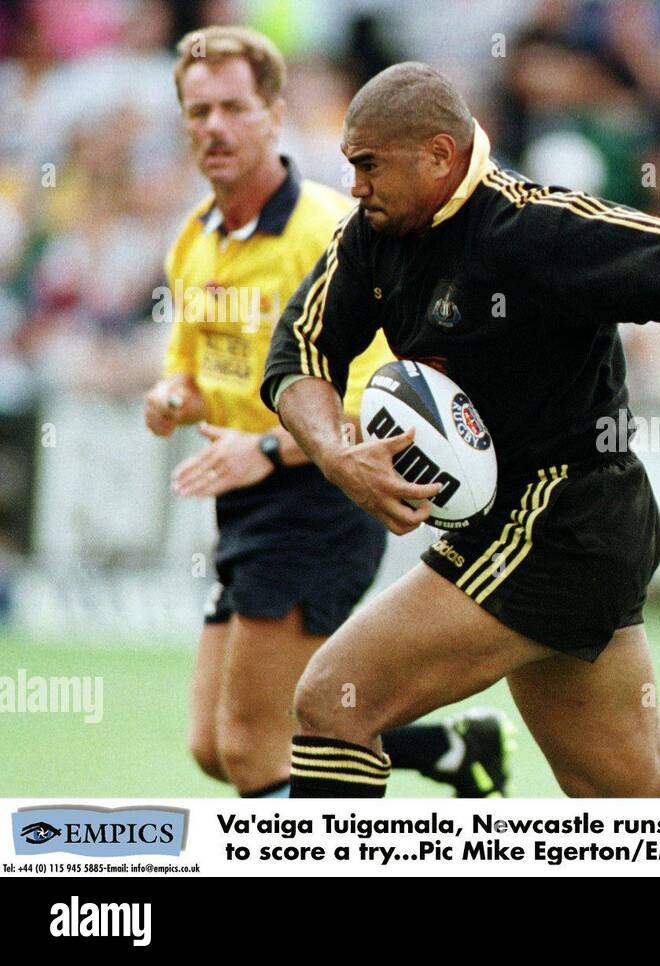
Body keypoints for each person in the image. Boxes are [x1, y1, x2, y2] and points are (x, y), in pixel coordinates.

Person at [260, 62, 660, 798]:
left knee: (334, 700)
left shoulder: (538, 228)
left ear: (438, 156)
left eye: (367, 165)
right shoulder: (372, 238)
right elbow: (298, 353)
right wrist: (335, 454)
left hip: (563, 518)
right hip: (545, 530)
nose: (354, 184)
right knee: (632, 786)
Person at [146, 28, 511, 799]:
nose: (213, 127)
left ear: (274, 116)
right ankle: (448, 751)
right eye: (198, 110)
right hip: (245, 504)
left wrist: (270, 450)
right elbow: (190, 364)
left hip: (316, 500)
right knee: (213, 744)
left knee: (254, 748)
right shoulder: (193, 237)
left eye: (233, 108)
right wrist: (173, 395)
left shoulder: (328, 228)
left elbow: (379, 406)